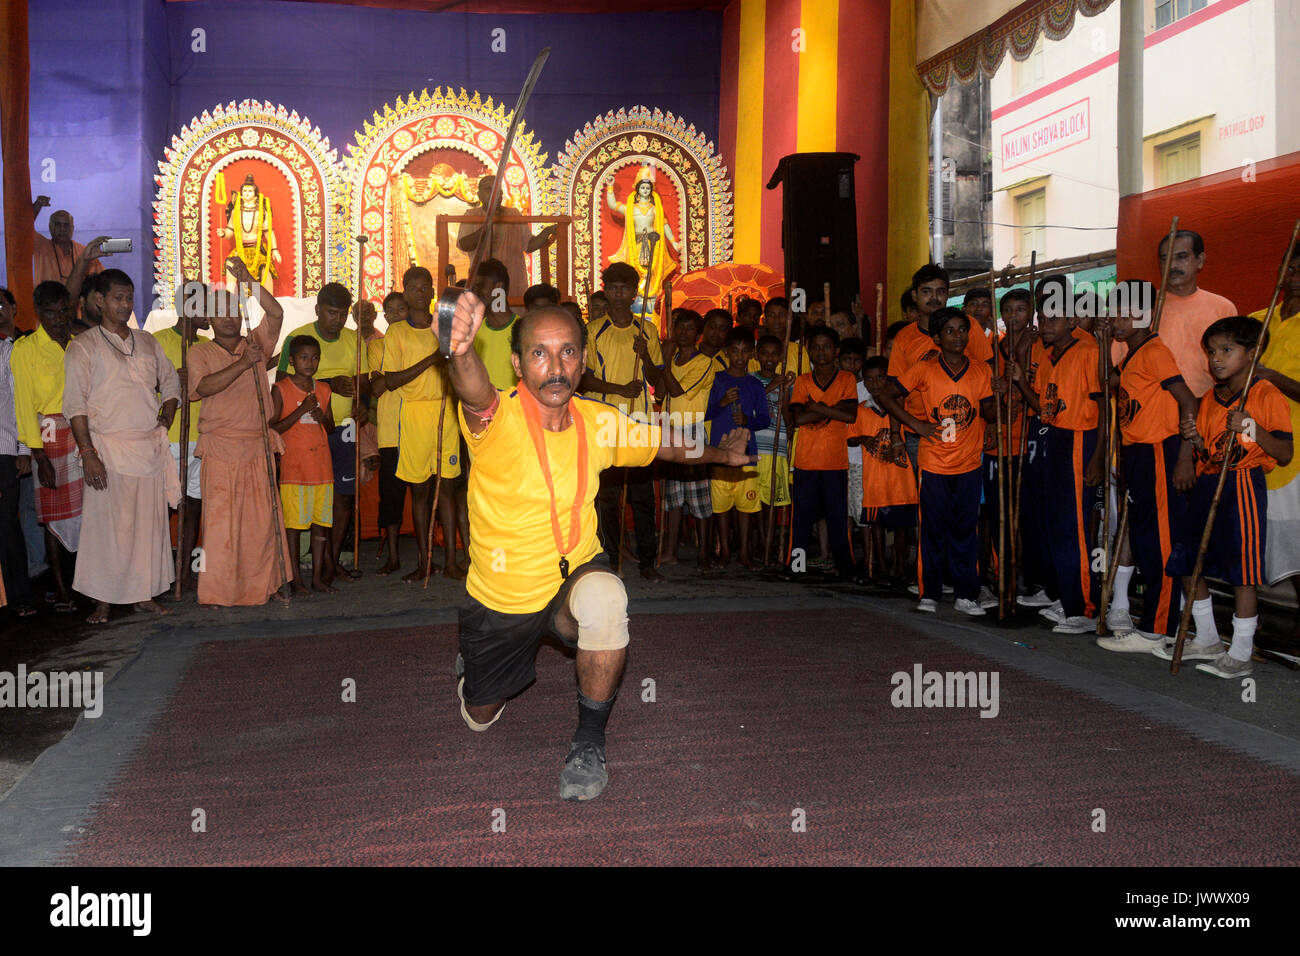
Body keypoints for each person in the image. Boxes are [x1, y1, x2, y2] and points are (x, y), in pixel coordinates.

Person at [442, 293, 755, 800]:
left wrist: (723, 452)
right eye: (539, 353)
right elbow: (475, 393)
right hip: (504, 596)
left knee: (607, 599)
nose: (556, 365)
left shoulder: (599, 421)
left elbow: (664, 442)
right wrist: (459, 351)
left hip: (572, 575)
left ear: (583, 362)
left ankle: (588, 742)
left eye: (567, 351)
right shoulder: (498, 420)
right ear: (518, 363)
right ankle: (474, 669)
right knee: (480, 717)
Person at [1163, 316, 1292, 678]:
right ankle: (1206, 638)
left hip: (1244, 486)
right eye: (1211, 352)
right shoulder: (1208, 399)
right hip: (1209, 484)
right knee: (1187, 560)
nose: (1216, 359)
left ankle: (1241, 652)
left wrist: (1250, 427)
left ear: (1252, 355)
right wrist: (1197, 440)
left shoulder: (1266, 394)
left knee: (1243, 572)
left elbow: (1283, 453)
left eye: (1226, 350)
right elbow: (1211, 454)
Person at [63, 270, 180, 624]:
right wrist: (88, 454)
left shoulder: (147, 341)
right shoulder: (83, 346)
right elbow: (75, 406)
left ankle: (143, 595)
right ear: (99, 301)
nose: (125, 304)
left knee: (148, 528)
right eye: (118, 297)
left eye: (129, 297)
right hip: (107, 450)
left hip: (147, 449)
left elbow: (171, 380)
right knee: (108, 530)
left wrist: (168, 411)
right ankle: (103, 601)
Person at [1093, 281, 1198, 653]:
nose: (1115, 319)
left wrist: (1185, 456)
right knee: (1143, 540)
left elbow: (1189, 401)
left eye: (1123, 313)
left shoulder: (1155, 351)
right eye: (1112, 311)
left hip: (1160, 450)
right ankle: (1156, 622)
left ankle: (1158, 628)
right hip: (1136, 454)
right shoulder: (1133, 354)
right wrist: (1105, 344)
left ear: (1145, 314)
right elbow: (1109, 383)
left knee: (1161, 542)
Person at [188, 257, 294, 606]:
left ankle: (267, 585)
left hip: (256, 446)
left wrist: (249, 282)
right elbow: (203, 388)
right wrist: (244, 363)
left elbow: (276, 314)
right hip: (221, 449)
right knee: (220, 525)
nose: (229, 319)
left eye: (234, 312)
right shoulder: (199, 352)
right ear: (209, 320)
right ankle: (219, 591)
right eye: (220, 314)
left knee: (261, 523)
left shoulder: (255, 342)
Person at [877, 307, 996, 615]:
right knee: (932, 528)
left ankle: (966, 593)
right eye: (950, 331)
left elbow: (990, 412)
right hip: (934, 462)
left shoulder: (981, 370)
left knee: (966, 529)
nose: (958, 337)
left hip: (969, 462)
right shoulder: (924, 369)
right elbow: (887, 395)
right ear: (937, 338)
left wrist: (1003, 392)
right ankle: (929, 591)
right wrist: (914, 425)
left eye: (963, 330)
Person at [1009, 290, 1105, 632]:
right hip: (1054, 438)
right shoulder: (1048, 356)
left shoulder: (1090, 352)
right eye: (1042, 320)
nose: (1045, 326)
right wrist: (1021, 383)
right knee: (1058, 524)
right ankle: (1067, 597)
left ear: (1071, 321)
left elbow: (1105, 408)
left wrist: (1097, 456)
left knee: (1076, 527)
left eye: (1053, 319)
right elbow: (1042, 408)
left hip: (1079, 438)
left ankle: (1084, 609)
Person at [278, 283, 371, 582]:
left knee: (343, 497)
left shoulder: (354, 339)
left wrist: (363, 404)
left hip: (343, 427)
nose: (338, 320)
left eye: (343, 314)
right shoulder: (298, 338)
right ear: (318, 310)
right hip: (305, 434)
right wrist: (330, 383)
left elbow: (364, 381)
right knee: (308, 497)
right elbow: (283, 382)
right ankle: (307, 566)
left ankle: (331, 561)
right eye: (332, 313)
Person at [582, 262, 667, 581]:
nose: (619, 295)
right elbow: (585, 381)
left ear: (634, 294)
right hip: (605, 424)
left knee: (643, 496)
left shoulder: (647, 330)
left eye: (625, 289)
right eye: (613, 288)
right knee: (606, 498)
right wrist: (619, 388)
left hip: (640, 422)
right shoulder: (593, 331)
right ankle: (609, 560)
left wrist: (645, 355)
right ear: (606, 290)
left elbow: (658, 378)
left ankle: (647, 562)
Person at [382, 266, 464, 582]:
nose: (420, 291)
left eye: (425, 286)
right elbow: (391, 380)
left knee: (447, 489)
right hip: (414, 415)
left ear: (432, 292)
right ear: (404, 291)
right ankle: (424, 559)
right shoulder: (397, 332)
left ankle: (453, 561)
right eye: (413, 287)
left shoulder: (445, 326)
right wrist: (431, 360)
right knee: (420, 491)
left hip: (446, 411)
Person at [11, 281, 81, 611]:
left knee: (87, 514)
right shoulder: (25, 350)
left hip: (83, 433)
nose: (57, 319)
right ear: (38, 313)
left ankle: (85, 582)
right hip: (49, 437)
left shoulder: (79, 343)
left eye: (62, 311)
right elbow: (23, 404)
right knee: (53, 518)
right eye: (50, 313)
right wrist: (38, 456)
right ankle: (60, 587)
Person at [786, 326, 858, 580]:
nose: (821, 351)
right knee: (802, 518)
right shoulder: (803, 381)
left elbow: (850, 415)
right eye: (816, 347)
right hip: (806, 461)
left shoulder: (847, 379)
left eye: (827, 346)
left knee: (838, 518)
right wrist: (830, 408)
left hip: (835, 463)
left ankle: (845, 567)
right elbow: (799, 417)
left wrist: (815, 407)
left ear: (836, 351)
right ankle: (797, 566)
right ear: (809, 351)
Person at [153, 293, 210, 593]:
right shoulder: (156, 341)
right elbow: (141, 385)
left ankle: (186, 570)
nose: (208, 312)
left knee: (193, 506)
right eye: (203, 305)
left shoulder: (209, 348)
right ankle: (161, 570)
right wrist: (170, 381)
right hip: (170, 437)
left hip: (200, 436)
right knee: (164, 506)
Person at [271, 336, 337, 594]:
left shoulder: (323, 389)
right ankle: (295, 580)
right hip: (295, 469)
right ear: (292, 360)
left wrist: (321, 417)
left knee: (321, 525)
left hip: (322, 467)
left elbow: (330, 427)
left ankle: (318, 579)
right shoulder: (281, 389)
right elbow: (272, 428)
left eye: (315, 358)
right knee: (294, 528)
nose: (310, 363)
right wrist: (301, 411)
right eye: (303, 358)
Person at [848, 356, 918, 586]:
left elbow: (913, 433)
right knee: (875, 523)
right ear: (864, 383)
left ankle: (899, 566)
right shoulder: (861, 410)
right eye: (870, 379)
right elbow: (849, 438)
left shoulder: (901, 406)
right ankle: (881, 564)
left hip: (900, 477)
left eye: (880, 377)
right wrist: (864, 439)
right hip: (875, 477)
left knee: (901, 525)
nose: (876, 383)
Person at [705, 327, 769, 569]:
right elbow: (706, 412)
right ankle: (724, 551)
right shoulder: (718, 380)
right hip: (719, 453)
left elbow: (764, 419)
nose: (740, 357)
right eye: (735, 351)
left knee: (747, 506)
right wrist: (722, 402)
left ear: (752, 354)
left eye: (745, 352)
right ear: (726, 352)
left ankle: (744, 551)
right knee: (720, 506)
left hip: (746, 455)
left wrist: (747, 420)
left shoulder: (754, 385)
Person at [656, 311, 715, 568]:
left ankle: (704, 552)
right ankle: (670, 552)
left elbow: (679, 390)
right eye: (680, 328)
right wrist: (665, 363)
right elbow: (660, 392)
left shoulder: (704, 362)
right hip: (671, 429)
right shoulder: (673, 358)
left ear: (698, 335)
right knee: (673, 497)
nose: (683, 333)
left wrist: (665, 361)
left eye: (690, 329)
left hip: (692, 430)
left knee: (699, 495)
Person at [457, 174, 557, 300]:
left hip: (513, 284)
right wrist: (487, 225)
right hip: (483, 287)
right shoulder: (471, 215)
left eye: (497, 190)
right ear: (479, 195)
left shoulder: (513, 214)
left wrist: (547, 231)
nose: (494, 194)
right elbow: (465, 244)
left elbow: (529, 245)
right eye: (489, 189)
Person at [0, 289, 36, 616]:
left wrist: (23, 447)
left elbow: (19, 403)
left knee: (6, 524)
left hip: (4, 449)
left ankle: (21, 597)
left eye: (0, 304)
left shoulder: (9, 351)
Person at [606, 169, 680, 309]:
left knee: (651, 271)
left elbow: (664, 225)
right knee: (636, 270)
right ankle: (637, 297)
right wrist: (610, 186)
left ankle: (651, 299)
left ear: (651, 190)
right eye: (642, 187)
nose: (645, 190)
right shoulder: (630, 208)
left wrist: (673, 242)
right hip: (636, 244)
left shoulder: (655, 209)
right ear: (637, 189)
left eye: (647, 188)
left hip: (653, 244)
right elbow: (612, 205)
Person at [372, 291, 407, 575]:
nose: (396, 315)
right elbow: (379, 386)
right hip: (390, 432)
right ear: (385, 317)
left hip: (420, 427)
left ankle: (425, 556)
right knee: (391, 495)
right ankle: (393, 556)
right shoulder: (376, 347)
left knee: (425, 492)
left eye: (401, 309)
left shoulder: (422, 339)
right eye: (391, 311)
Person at [753, 333, 794, 565]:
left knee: (771, 501)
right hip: (757, 447)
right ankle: (759, 543)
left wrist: (784, 393)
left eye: (774, 354)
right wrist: (771, 388)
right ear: (757, 355)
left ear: (780, 357)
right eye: (765, 353)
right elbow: (750, 407)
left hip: (776, 448)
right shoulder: (752, 380)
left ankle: (769, 545)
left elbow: (787, 415)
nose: (769, 358)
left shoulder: (785, 382)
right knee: (756, 500)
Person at [838, 337, 870, 566]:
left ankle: (869, 561)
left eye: (856, 360)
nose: (851, 364)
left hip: (859, 459)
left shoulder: (868, 388)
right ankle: (846, 558)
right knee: (843, 511)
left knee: (861, 512)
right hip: (836, 457)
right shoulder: (835, 385)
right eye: (847, 360)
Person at [220, 174, 281, 288]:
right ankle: (230, 301)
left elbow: (268, 232)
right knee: (230, 266)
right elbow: (230, 231)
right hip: (241, 250)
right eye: (244, 190)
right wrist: (224, 233)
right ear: (241, 193)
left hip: (258, 250)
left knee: (265, 270)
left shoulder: (262, 211)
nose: (247, 193)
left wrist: (274, 249)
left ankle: (267, 303)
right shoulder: (236, 211)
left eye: (250, 191)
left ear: (255, 194)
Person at [31, 197, 104, 288]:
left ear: (72, 228)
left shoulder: (84, 252)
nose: (62, 229)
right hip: (46, 301)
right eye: (58, 225)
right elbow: (23, 229)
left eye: (66, 225)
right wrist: (37, 207)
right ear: (50, 227)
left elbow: (101, 280)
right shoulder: (40, 245)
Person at [470, 259, 520, 391]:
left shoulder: (523, 329)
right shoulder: (474, 330)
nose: (474, 292)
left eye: (480, 286)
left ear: (498, 288)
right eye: (473, 287)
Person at [700, 308, 733, 373]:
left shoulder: (731, 360)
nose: (716, 332)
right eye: (712, 327)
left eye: (722, 329)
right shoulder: (687, 354)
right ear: (703, 327)